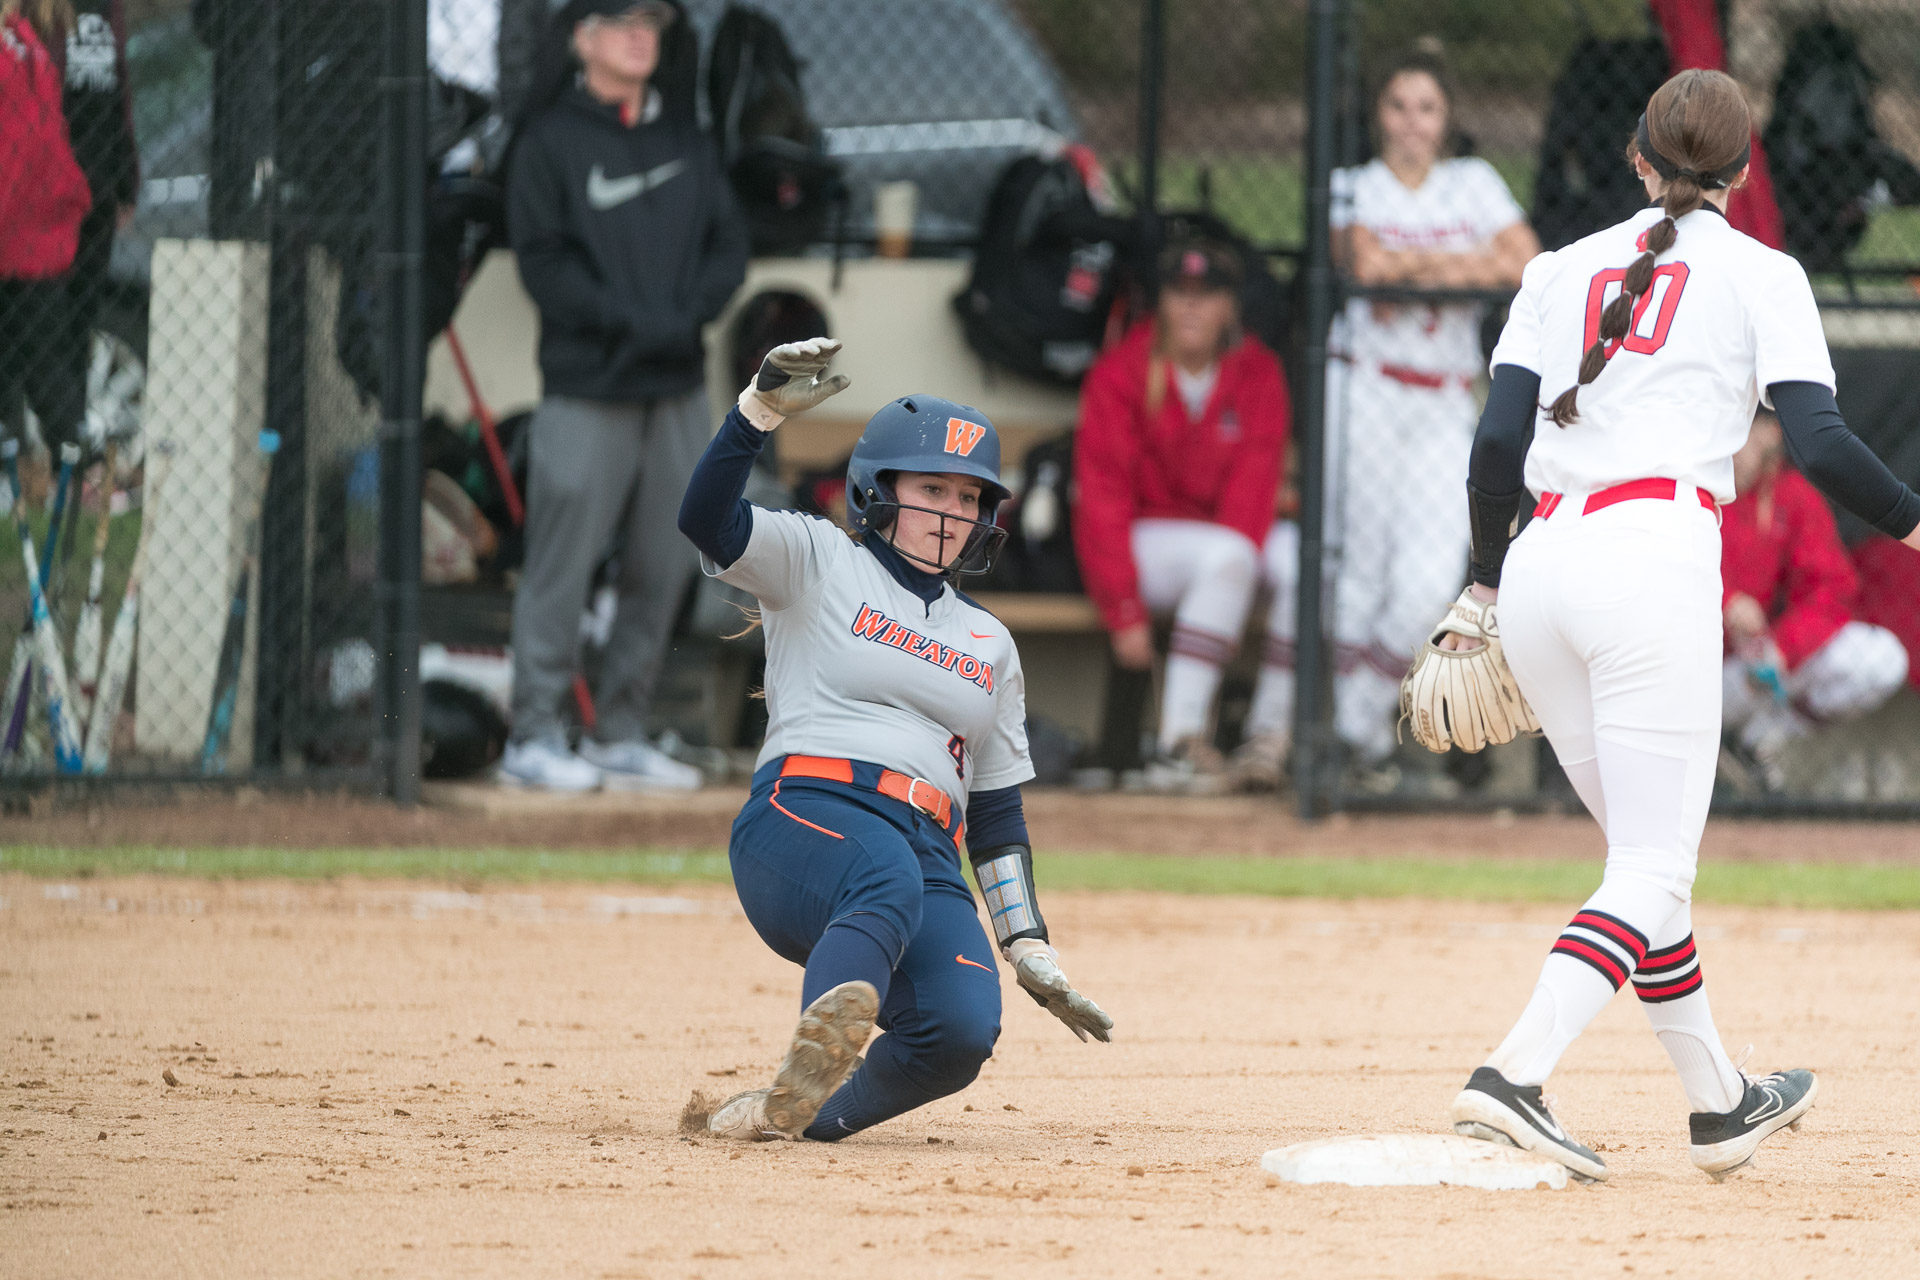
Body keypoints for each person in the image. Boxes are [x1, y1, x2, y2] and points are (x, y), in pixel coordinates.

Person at [1438, 69, 1920, 1182]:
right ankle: (1515, 1069)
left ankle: (1720, 1100)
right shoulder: (1765, 271)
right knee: (1652, 866)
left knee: (1644, 863)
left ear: (1636, 156)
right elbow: (1826, 445)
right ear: (1745, 173)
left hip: (1542, 562)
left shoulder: (1556, 268)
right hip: (1650, 561)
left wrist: (1481, 579)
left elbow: (1495, 444)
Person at [677, 338, 1112, 1142]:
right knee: (883, 874)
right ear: (877, 492)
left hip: (927, 854)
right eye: (932, 488)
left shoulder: (990, 643)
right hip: (804, 819)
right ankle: (823, 1034)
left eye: (971, 497)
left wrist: (1026, 944)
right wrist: (756, 414)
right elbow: (704, 518)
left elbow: (995, 814)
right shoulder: (818, 561)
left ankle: (793, 1113)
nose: (954, 512)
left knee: (960, 1026)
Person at [1252, 44, 1539, 791]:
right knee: (1359, 573)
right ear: (1378, 116)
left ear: (1447, 122)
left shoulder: (1471, 182)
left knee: (1423, 582)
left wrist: (1421, 270)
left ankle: (1353, 726)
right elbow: (1368, 269)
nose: (1412, 123)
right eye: (1398, 106)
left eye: (1427, 108)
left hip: (1445, 392)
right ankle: (1350, 742)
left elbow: (1524, 261)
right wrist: (1459, 265)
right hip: (1367, 388)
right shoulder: (1353, 186)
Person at [500, 0, 748, 791]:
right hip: (588, 388)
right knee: (561, 565)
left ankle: (620, 731)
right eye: (621, 16)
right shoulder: (549, 141)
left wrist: (681, 321)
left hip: (675, 388)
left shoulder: (686, 137)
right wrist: (633, 323)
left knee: (667, 559)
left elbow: (728, 250)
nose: (643, 31)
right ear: (581, 36)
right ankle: (533, 735)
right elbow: (542, 265)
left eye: (653, 18)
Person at [1073, 239, 1290, 790]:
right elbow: (1101, 501)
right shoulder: (1122, 371)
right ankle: (1180, 741)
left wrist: (1232, 592)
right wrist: (1122, 607)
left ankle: (1270, 738)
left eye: (1207, 294)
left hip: (1224, 552)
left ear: (1230, 308)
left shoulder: (1258, 372)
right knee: (1229, 557)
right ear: (1161, 302)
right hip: (1146, 546)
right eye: (1180, 292)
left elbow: (1254, 493)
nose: (1192, 306)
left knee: (1301, 565)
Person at [1719, 409, 1909, 791]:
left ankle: (1759, 741)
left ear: (1771, 433)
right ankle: (1705, 756)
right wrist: (1722, 604)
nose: (1731, 447)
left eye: (1741, 432)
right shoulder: (1688, 488)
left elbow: (1831, 588)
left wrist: (1781, 649)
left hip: (1759, 670)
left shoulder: (1790, 494)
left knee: (1882, 658)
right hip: (1699, 675)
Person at [0, 0, 92, 465]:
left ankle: (76, 455)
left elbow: (42, 137)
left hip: (31, 234)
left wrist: (67, 194)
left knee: (44, 354)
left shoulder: (25, 42)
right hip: (20, 227)